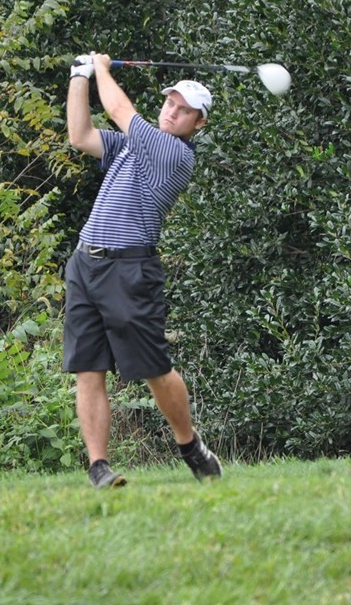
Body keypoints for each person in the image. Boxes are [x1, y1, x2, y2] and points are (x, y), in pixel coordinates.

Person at [63, 52, 222, 489]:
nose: (173, 111)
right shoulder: (132, 145)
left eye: (185, 109)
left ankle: (189, 446)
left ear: (198, 124)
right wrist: (79, 77)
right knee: (88, 366)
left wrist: (101, 69)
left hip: (130, 269)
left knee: (153, 367)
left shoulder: (172, 153)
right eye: (171, 102)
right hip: (86, 263)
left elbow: (117, 109)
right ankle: (99, 468)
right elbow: (80, 135)